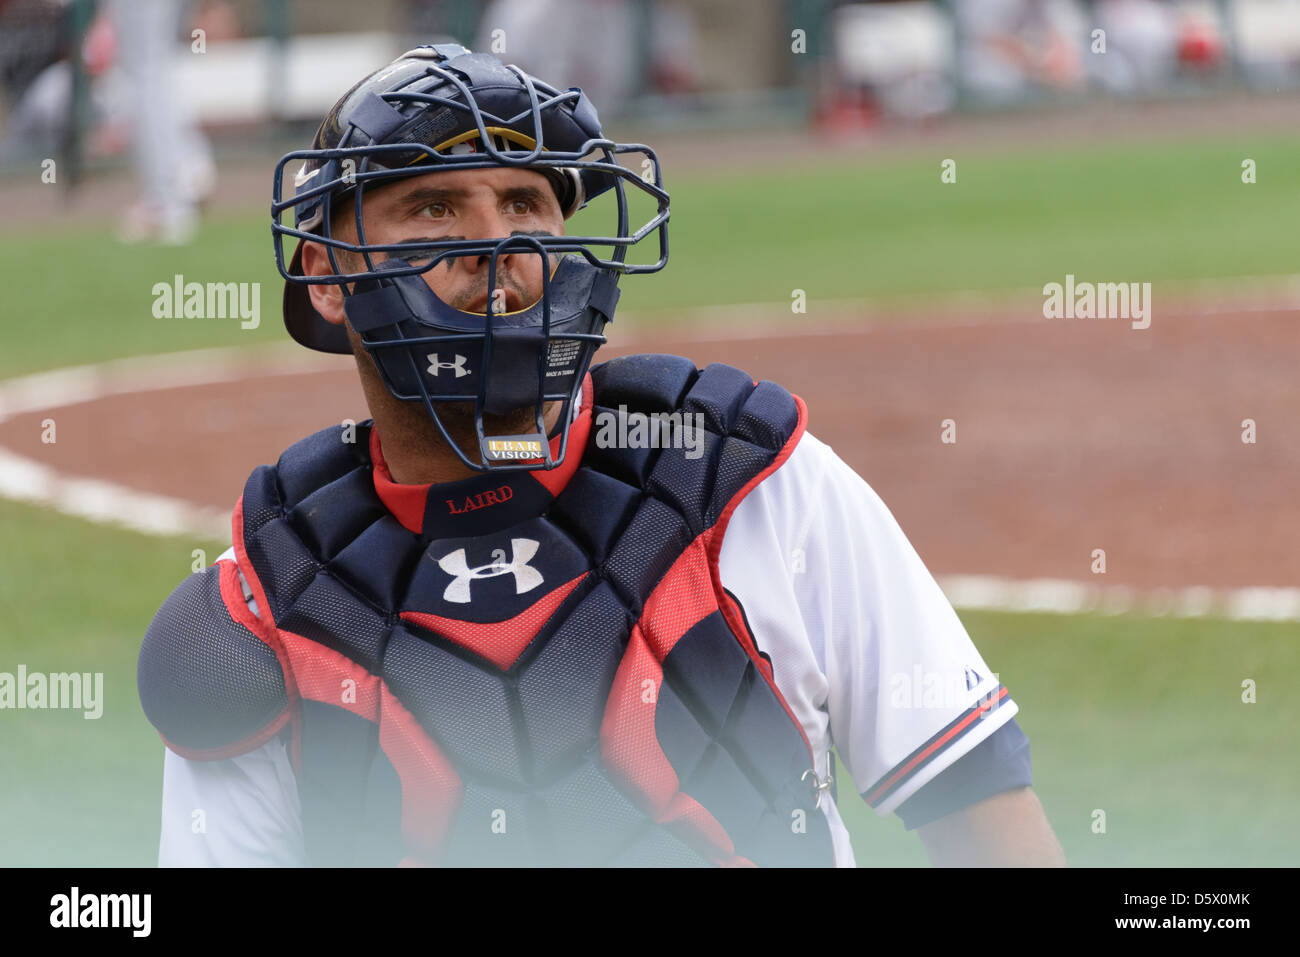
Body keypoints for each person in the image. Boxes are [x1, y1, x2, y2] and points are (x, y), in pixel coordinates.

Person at [138, 43, 1065, 867]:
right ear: (329, 278)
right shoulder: (266, 604)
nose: (495, 244)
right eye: (432, 206)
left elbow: (982, 815)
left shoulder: (745, 481)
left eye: (525, 203)